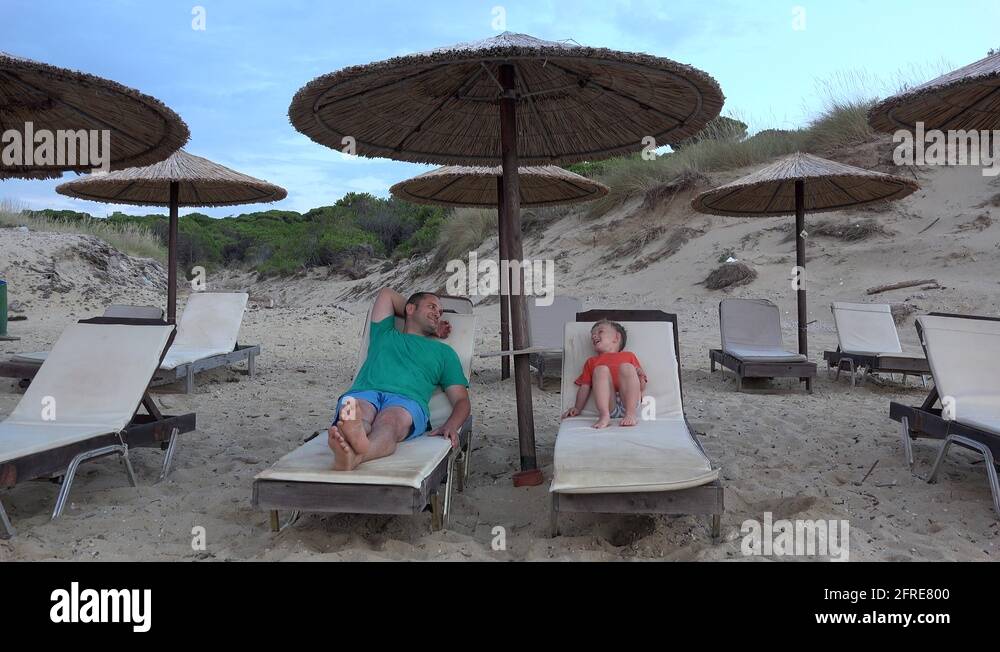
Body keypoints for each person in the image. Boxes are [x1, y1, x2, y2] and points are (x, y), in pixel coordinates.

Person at [328, 287, 470, 471]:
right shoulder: (384, 333)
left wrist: (451, 425)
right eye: (432, 307)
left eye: (440, 312)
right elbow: (386, 294)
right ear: (410, 309)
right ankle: (354, 443)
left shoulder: (445, 353)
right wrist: (421, 318)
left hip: (407, 401)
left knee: (389, 422)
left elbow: (461, 399)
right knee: (357, 412)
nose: (438, 314)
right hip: (364, 392)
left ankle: (358, 451)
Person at [561, 319, 646, 428]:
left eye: (600, 332)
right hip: (608, 404)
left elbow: (641, 386)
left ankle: (630, 415)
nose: (594, 336)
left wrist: (640, 376)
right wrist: (577, 408)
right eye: (592, 336)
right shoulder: (591, 362)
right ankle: (604, 416)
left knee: (627, 367)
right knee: (600, 370)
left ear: (616, 337)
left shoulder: (629, 356)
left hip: (629, 402)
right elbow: (584, 387)